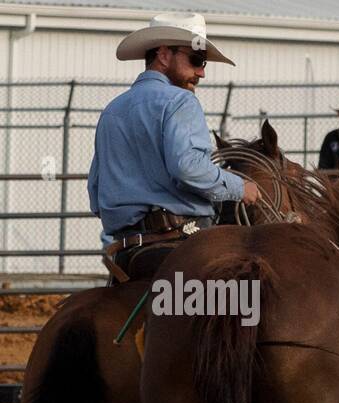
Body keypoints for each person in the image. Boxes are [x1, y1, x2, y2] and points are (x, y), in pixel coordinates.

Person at [88, 12, 258, 283]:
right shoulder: (180, 101)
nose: (201, 71)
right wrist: (239, 187)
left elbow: (96, 192)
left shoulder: (112, 111)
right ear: (164, 55)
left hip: (126, 255)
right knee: (252, 299)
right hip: (180, 247)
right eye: (196, 60)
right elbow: (187, 167)